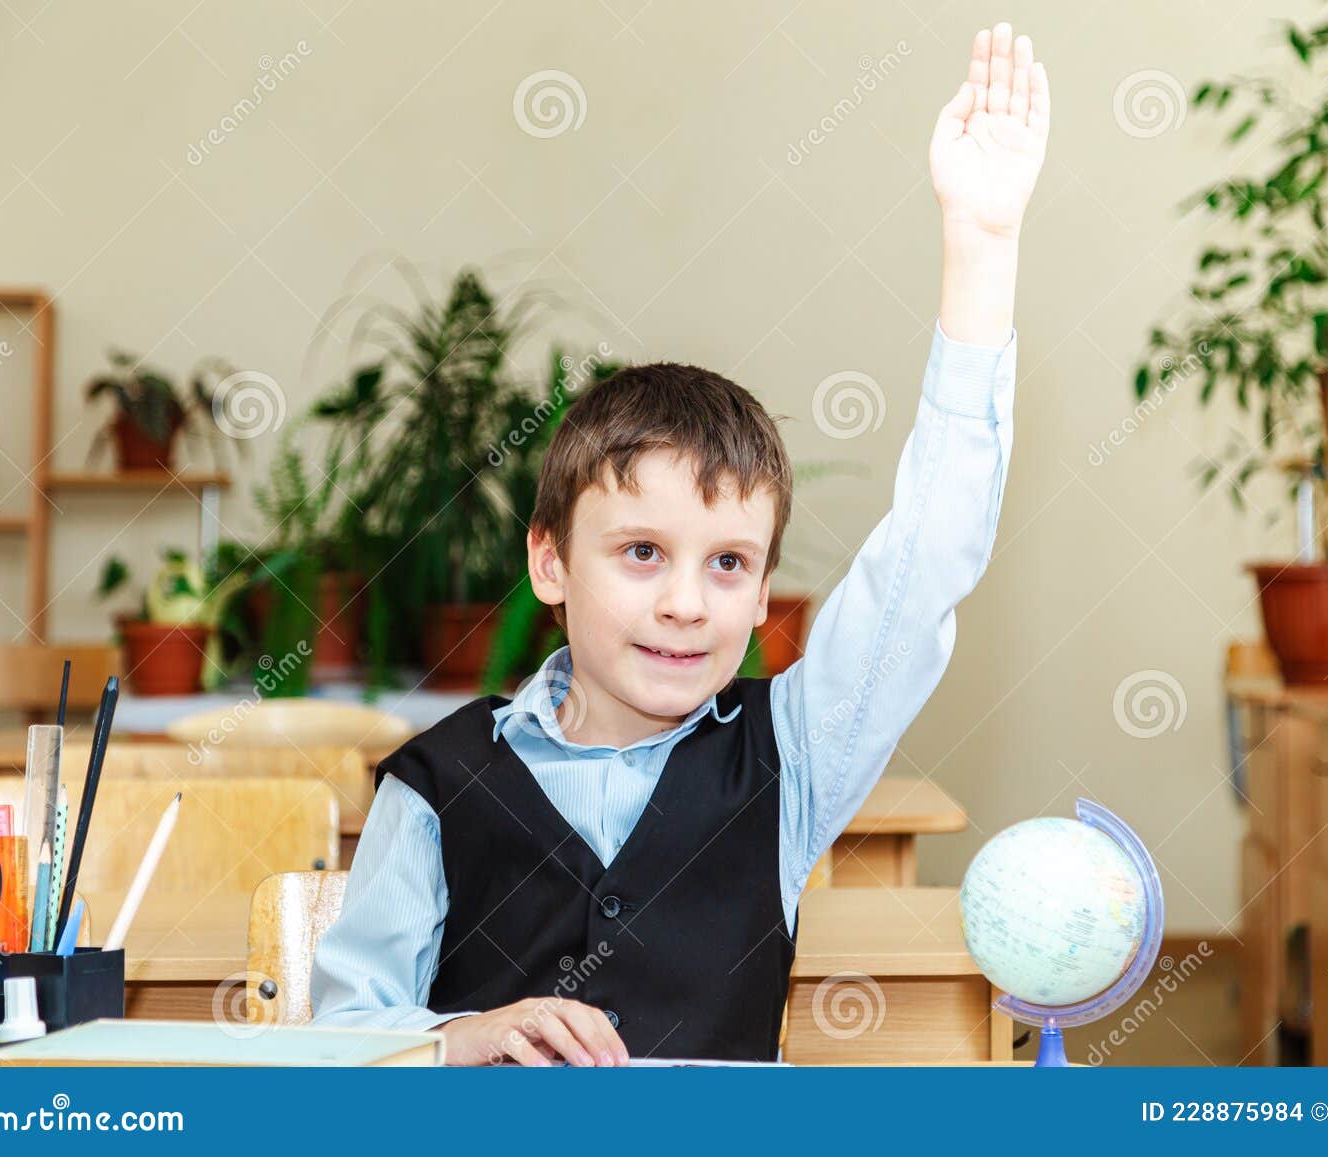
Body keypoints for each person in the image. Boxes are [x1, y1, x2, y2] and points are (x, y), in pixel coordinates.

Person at [310, 21, 1051, 1066]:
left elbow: (928, 556)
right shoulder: (435, 783)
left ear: (762, 594)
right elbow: (340, 1043)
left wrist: (981, 247)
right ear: (549, 561)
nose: (686, 603)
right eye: (642, 552)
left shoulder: (795, 753)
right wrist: (467, 1035)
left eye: (728, 563)